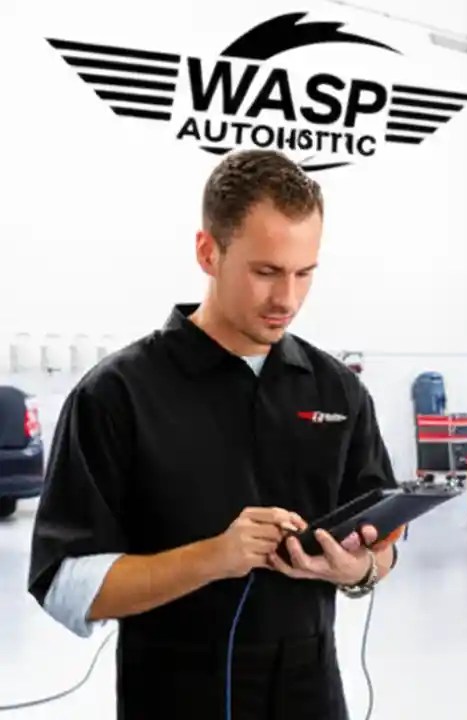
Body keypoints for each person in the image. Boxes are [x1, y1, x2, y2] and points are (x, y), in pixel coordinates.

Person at [27, 149, 402, 719]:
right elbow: (67, 586)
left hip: (311, 688)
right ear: (209, 252)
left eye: (305, 274)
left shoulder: (336, 392)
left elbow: (383, 536)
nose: (288, 300)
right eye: (266, 272)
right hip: (176, 691)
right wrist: (214, 557)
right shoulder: (117, 395)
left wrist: (358, 570)